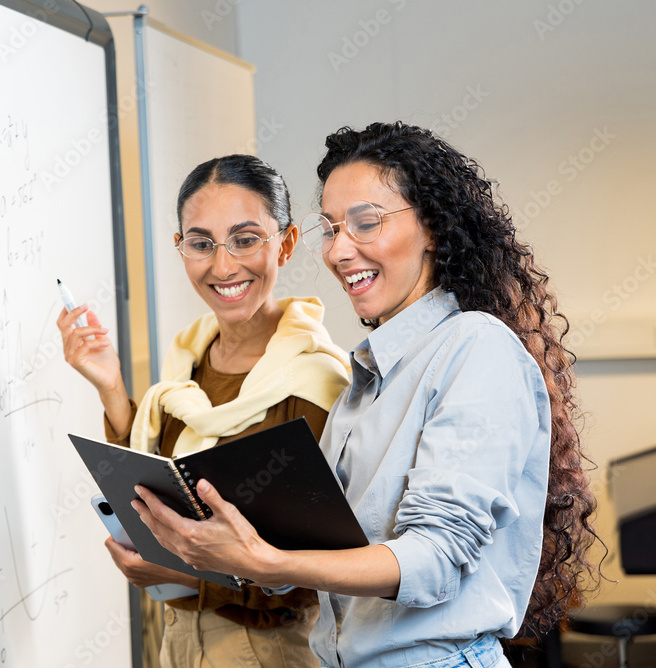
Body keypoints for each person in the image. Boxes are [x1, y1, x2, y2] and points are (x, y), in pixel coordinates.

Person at [131, 122, 601, 668]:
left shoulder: (476, 348)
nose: (338, 250)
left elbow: (435, 560)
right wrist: (224, 553)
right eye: (331, 229)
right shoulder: (370, 377)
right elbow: (327, 550)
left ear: (433, 227)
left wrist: (266, 563)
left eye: (366, 223)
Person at [57, 154, 350, 668]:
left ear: (285, 243)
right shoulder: (187, 363)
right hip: (178, 640)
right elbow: (156, 486)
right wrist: (110, 385)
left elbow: (322, 571)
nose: (223, 266)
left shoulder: (318, 383)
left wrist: (184, 576)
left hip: (269, 650)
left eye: (245, 239)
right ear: (181, 247)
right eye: (201, 243)